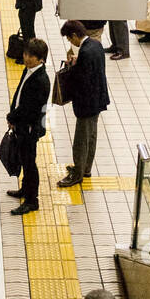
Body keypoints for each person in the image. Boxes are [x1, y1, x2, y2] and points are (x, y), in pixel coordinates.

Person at [57, 20, 110, 187]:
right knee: (91, 135)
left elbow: (82, 80)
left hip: (87, 103)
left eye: (69, 39)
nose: (70, 42)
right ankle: (86, 168)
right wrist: (78, 62)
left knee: (81, 139)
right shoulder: (95, 45)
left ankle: (77, 173)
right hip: (98, 99)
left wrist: (71, 69)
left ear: (74, 35)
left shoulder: (85, 52)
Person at [5, 38, 51, 216]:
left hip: (29, 128)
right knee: (25, 160)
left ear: (41, 59)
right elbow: (20, 95)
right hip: (22, 125)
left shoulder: (41, 80)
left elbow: (29, 108)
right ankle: (25, 190)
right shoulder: (30, 70)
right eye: (25, 54)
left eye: (31, 56)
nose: (26, 58)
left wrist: (12, 117)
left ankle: (32, 201)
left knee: (30, 164)